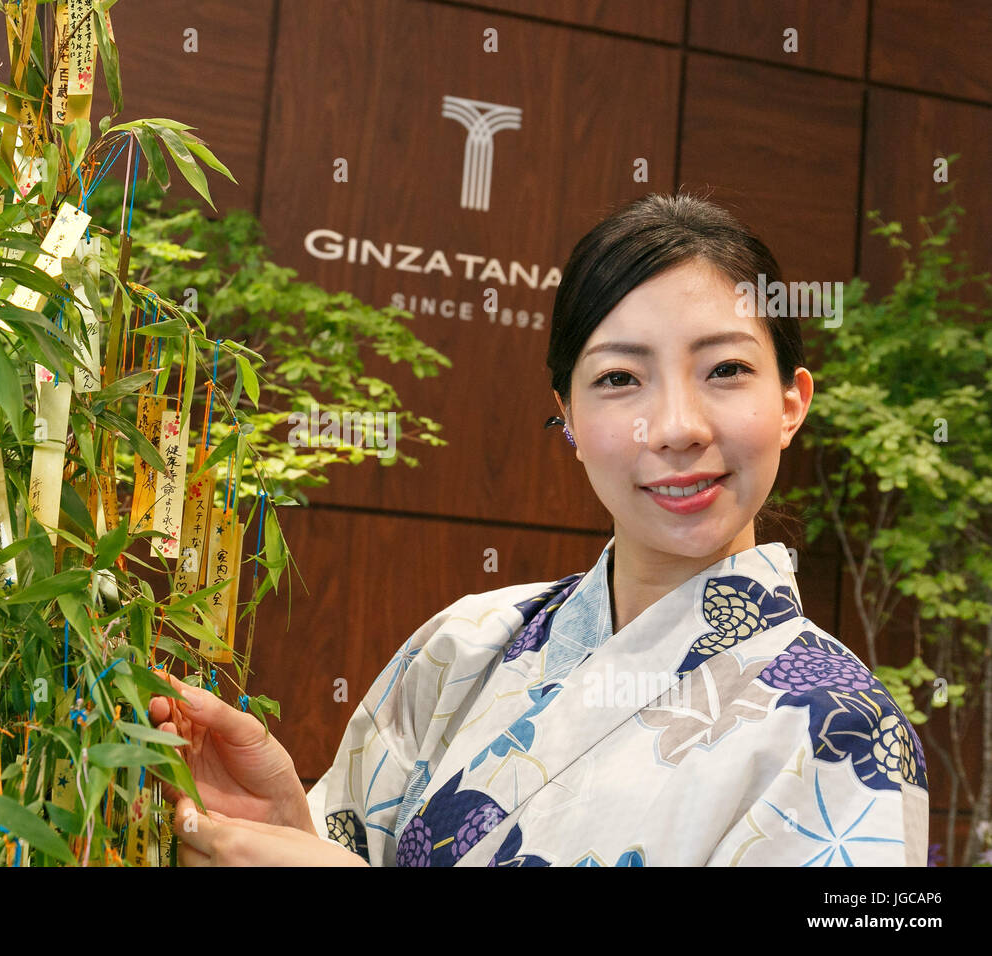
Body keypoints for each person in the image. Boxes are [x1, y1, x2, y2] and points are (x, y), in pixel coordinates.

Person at [147, 192, 930, 866]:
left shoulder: (847, 732)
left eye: (724, 370)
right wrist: (287, 823)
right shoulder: (465, 645)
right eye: (620, 379)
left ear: (791, 403)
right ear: (570, 420)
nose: (677, 427)